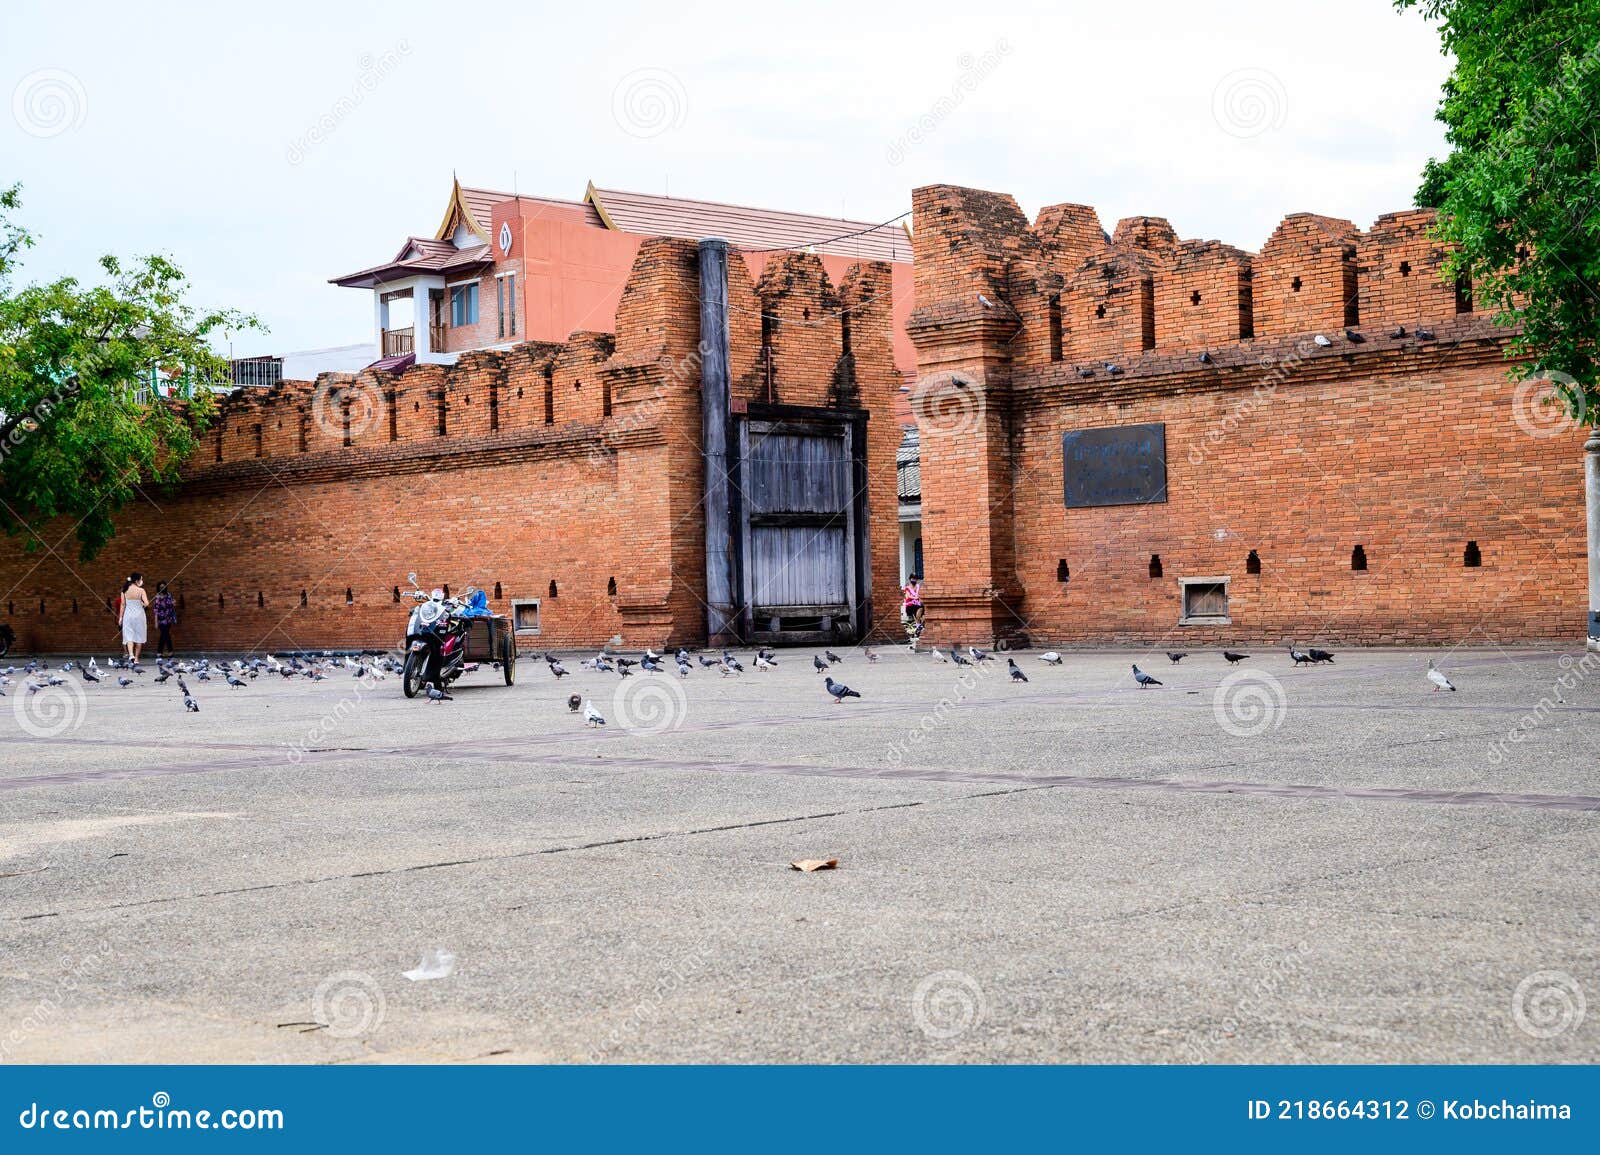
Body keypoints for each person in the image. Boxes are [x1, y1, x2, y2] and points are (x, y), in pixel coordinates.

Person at [120, 573, 149, 663]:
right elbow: (147, 603)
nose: (141, 581)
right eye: (141, 579)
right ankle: (136, 658)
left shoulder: (124, 590)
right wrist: (141, 602)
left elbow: (123, 604)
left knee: (129, 636)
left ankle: (131, 654)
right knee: (139, 636)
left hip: (128, 616)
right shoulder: (141, 590)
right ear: (137, 581)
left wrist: (120, 617)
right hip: (139, 616)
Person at [153, 581, 177, 656]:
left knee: (163, 635)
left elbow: (172, 605)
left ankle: (159, 652)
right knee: (166, 634)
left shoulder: (169, 595)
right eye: (161, 587)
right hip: (161, 620)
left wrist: (174, 603)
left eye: (164, 586)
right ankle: (170, 651)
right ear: (158, 588)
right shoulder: (157, 597)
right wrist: (156, 622)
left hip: (168, 619)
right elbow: (156, 611)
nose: (162, 588)